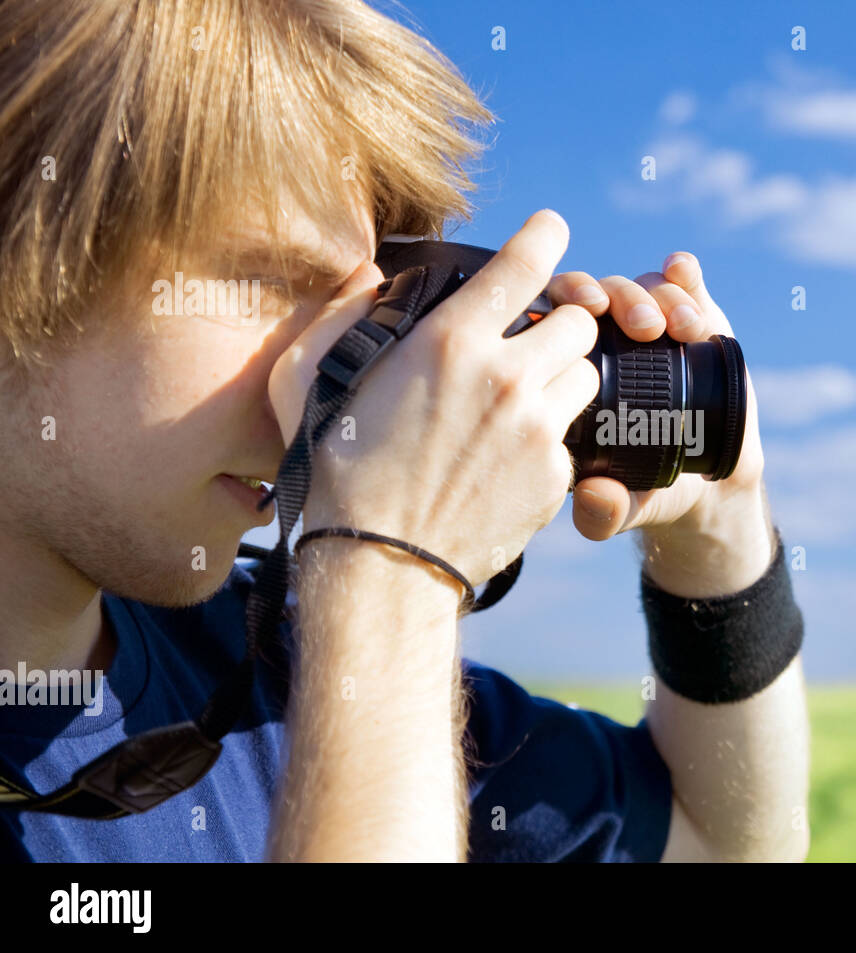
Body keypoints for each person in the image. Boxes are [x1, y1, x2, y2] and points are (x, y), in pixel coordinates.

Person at [0, 0, 809, 862]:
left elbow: (719, 844)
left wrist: (717, 526)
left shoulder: (278, 669)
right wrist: (390, 566)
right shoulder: (363, 640)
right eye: (271, 283)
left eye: (355, 316)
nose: (321, 385)